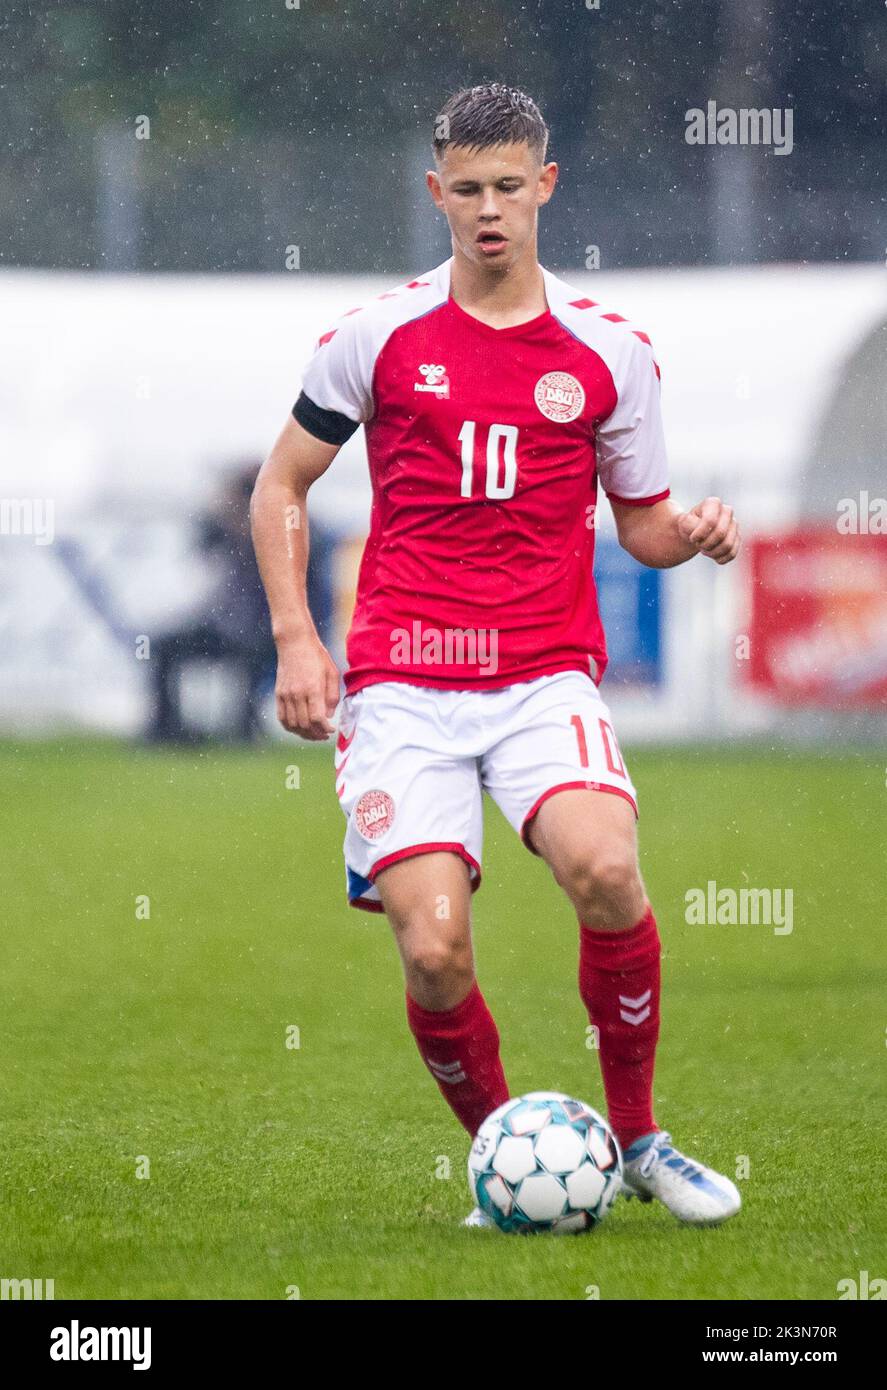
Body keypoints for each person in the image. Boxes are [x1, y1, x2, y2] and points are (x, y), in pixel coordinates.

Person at [251, 83, 742, 1226]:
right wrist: (296, 638)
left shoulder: (610, 353)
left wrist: (696, 536)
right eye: (465, 190)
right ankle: (509, 1159)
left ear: (544, 188)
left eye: (507, 188)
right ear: (435, 192)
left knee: (608, 871)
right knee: (432, 949)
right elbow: (282, 484)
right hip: (402, 684)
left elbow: (643, 524)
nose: (487, 210)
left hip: (539, 676)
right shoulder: (374, 338)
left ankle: (637, 1139)